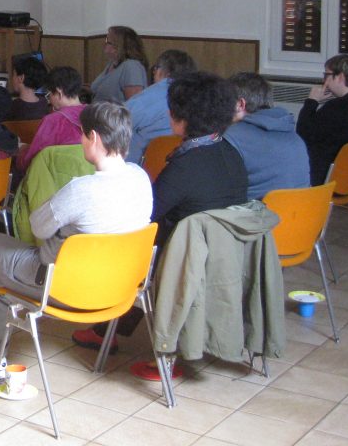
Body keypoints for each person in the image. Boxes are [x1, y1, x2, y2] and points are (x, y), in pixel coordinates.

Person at [0, 102, 152, 377]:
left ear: (94, 138)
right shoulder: (141, 178)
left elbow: (39, 227)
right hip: (118, 289)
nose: (81, 141)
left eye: (83, 135)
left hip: (62, 287)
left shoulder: (80, 189)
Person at [72, 71, 248, 355]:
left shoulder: (187, 165)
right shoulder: (230, 152)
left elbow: (146, 212)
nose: (168, 113)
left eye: (174, 109)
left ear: (184, 117)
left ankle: (106, 328)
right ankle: (108, 330)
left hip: (188, 256)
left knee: (131, 241)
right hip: (228, 253)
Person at [296, 54, 348, 185]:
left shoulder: (336, 108)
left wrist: (312, 101)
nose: (324, 81)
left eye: (326, 75)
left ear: (340, 77)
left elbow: (302, 133)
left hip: (324, 178)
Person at [225, 73, 310, 199]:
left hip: (259, 216)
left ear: (240, 105)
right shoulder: (294, 136)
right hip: (304, 215)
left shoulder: (232, 137)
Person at [125, 49, 197, 164]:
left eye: (156, 68)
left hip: (142, 169)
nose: (153, 72)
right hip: (186, 166)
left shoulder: (153, 94)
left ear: (165, 72)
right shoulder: (200, 97)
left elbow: (116, 122)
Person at [16, 66, 85, 173]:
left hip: (55, 184)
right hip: (89, 180)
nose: (49, 100)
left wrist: (20, 151)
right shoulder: (97, 114)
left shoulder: (53, 121)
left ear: (59, 92)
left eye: (49, 95)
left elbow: (31, 161)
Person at [90, 25, 149, 104]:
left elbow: (134, 104)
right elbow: (98, 88)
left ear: (118, 46)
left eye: (108, 41)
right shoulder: (112, 63)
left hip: (115, 115)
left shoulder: (132, 67)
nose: (104, 43)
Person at [5, 54, 50, 121]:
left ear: (21, 78)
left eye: (14, 75)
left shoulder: (13, 106)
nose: (12, 79)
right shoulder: (44, 104)